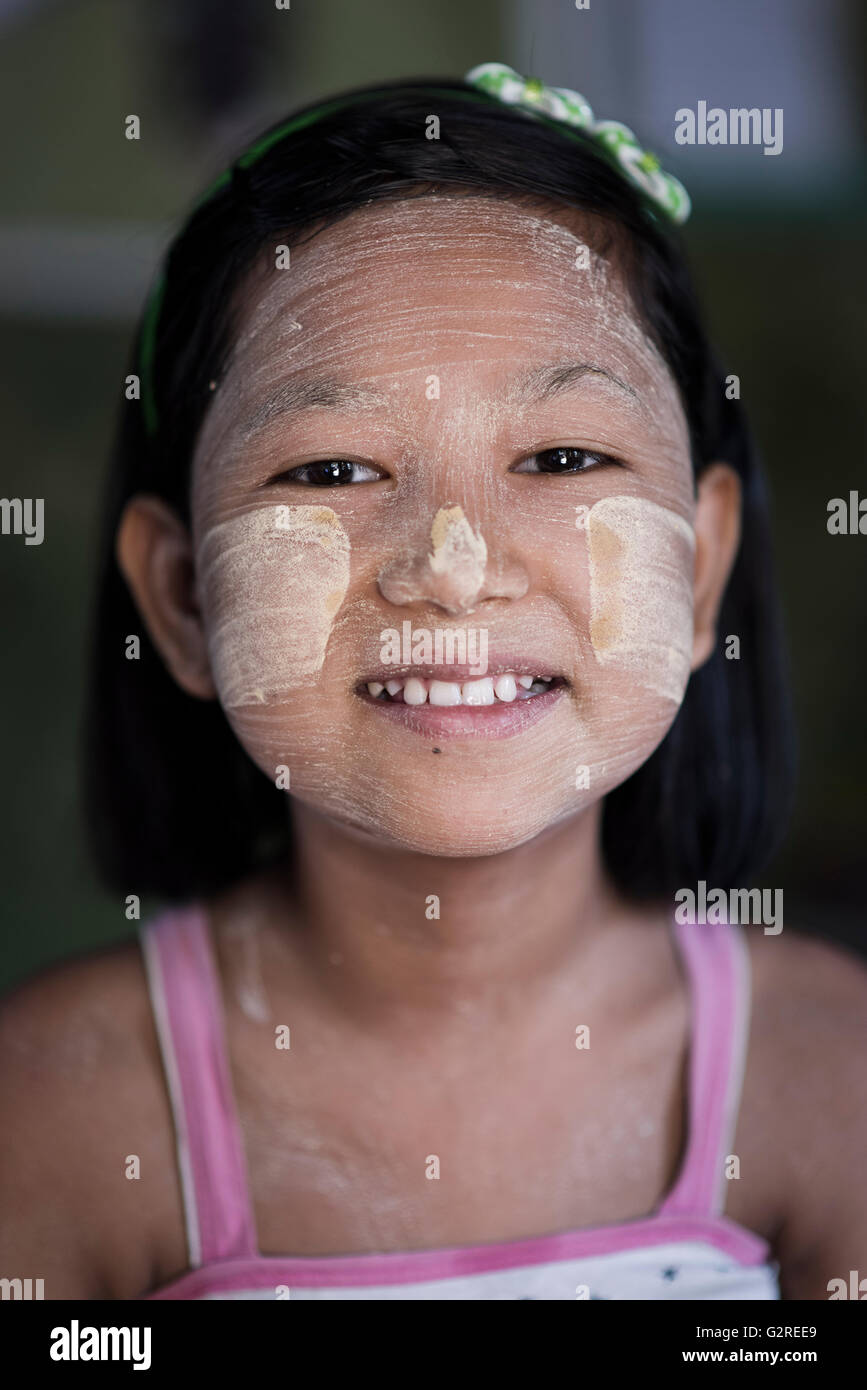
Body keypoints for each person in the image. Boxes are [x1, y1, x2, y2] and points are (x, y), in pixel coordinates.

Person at [2, 66, 865, 1300]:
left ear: (702, 565)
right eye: (333, 470)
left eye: (565, 456)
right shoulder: (50, 1111)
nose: (454, 571)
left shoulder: (832, 1073)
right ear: (186, 600)